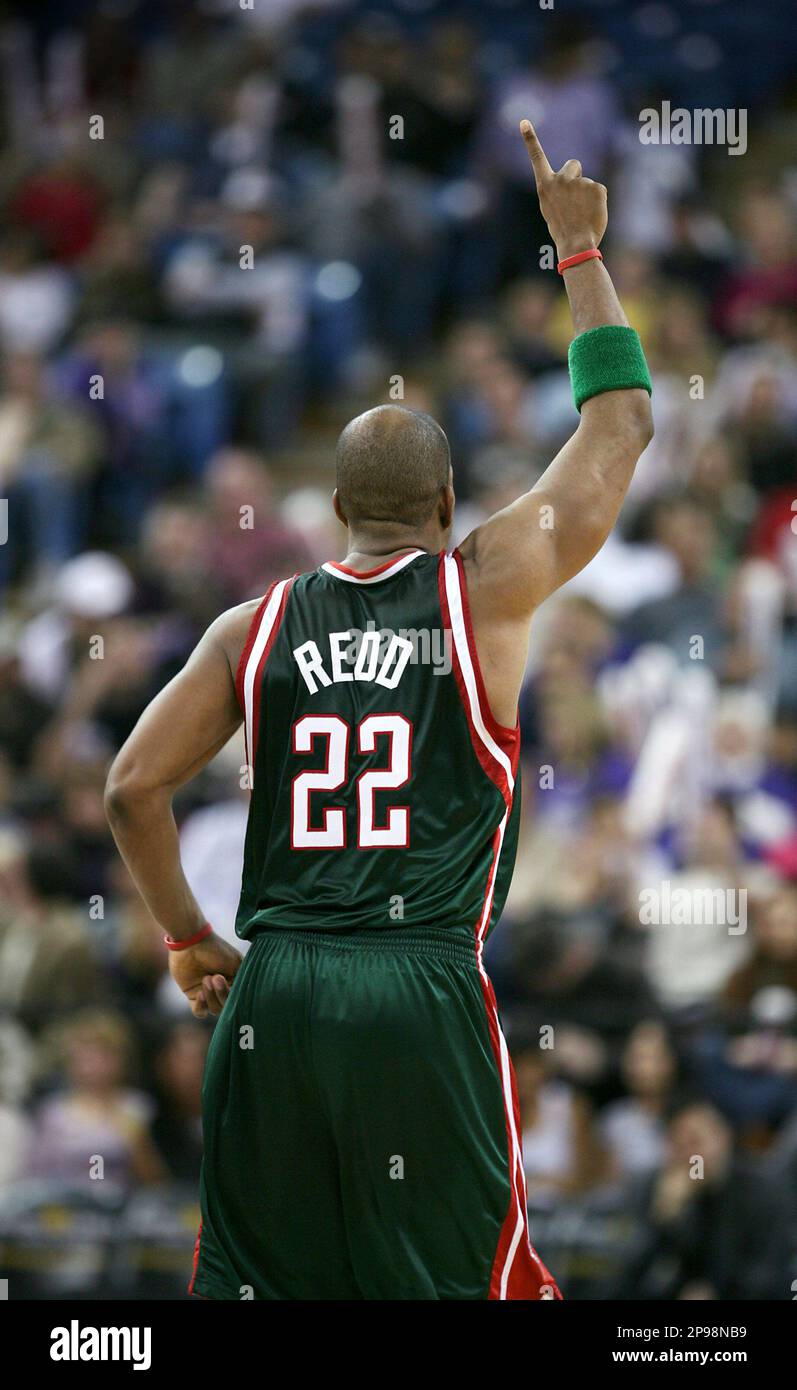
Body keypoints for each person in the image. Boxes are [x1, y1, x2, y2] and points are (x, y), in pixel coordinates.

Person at [104, 121, 653, 1300]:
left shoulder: (247, 629)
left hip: (277, 986)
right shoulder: (485, 585)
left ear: (337, 510)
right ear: (447, 505)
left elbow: (128, 787)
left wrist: (188, 938)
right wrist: (578, 252)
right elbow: (619, 429)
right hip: (416, 984)